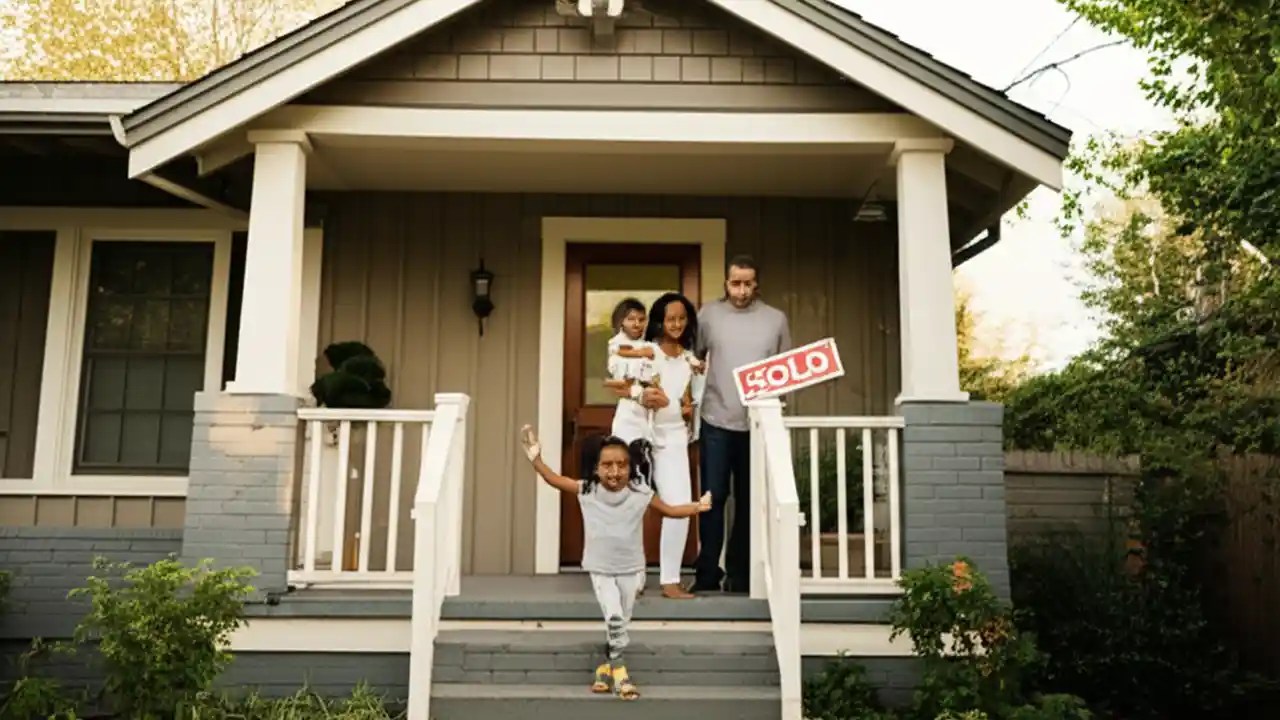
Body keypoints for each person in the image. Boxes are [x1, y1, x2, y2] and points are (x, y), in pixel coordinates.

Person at [519, 425, 711, 701]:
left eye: (621, 464)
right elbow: (556, 480)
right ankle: (620, 673)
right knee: (615, 618)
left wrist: (696, 507)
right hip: (601, 569)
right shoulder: (588, 490)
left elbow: (669, 510)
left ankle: (604, 670)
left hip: (632, 569)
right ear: (595, 468)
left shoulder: (639, 492)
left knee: (621, 623)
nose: (614, 471)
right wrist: (536, 459)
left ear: (631, 467)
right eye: (607, 465)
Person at [688, 255, 791, 595]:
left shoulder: (775, 320)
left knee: (749, 501)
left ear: (756, 284)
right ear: (726, 283)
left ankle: (740, 574)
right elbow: (694, 360)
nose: (742, 290)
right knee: (713, 498)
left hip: (757, 425)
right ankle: (707, 573)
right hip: (716, 420)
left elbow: (785, 371)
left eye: (748, 283)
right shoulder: (708, 315)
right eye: (736, 283)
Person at [604, 298, 659, 445]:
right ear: (621, 321)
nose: (636, 324)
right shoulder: (615, 345)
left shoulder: (651, 345)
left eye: (641, 319)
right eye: (631, 319)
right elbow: (619, 384)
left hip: (651, 412)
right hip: (628, 410)